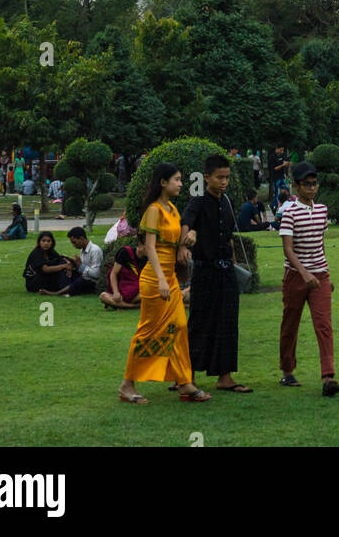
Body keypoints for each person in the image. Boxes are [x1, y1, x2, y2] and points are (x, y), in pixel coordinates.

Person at [119, 161, 206, 404]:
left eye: (180, 179)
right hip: (155, 279)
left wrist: (191, 236)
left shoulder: (174, 210)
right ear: (163, 183)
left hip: (169, 278)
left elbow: (178, 242)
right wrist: (161, 280)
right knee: (148, 332)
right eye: (177, 179)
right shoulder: (155, 210)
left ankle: (184, 382)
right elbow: (149, 248)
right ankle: (127, 384)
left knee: (178, 327)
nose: (180, 183)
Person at [181, 154, 252, 395]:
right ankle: (186, 375)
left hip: (226, 272)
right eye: (219, 177)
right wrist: (188, 235)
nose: (224, 182)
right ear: (207, 177)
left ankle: (225, 376)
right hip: (204, 271)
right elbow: (186, 224)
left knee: (228, 323)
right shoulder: (198, 203)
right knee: (199, 323)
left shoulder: (228, 202)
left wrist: (234, 264)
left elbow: (229, 238)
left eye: (227, 178)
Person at [279, 161, 339, 396]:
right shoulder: (289, 212)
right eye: (307, 185)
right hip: (296, 276)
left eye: (314, 184)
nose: (312, 188)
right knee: (290, 324)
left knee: (324, 325)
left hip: (320, 275)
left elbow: (320, 244)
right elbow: (288, 249)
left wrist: (325, 276)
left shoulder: (322, 210)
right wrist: (304, 273)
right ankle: (287, 371)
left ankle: (328, 376)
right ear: (296, 186)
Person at [50, 228, 104, 296]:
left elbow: (96, 274)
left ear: (81, 238)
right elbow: (81, 270)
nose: (73, 245)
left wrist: (81, 265)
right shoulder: (82, 251)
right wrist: (73, 264)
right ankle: (64, 290)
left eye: (74, 242)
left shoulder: (95, 250)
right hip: (84, 277)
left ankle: (57, 293)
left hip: (92, 282)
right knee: (65, 269)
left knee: (80, 281)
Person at [101, 231, 146, 309]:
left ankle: (123, 305)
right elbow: (113, 274)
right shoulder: (125, 252)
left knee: (150, 293)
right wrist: (116, 292)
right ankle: (134, 306)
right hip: (122, 291)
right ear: (140, 244)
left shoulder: (150, 259)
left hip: (139, 293)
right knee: (103, 296)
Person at [268, 145, 290, 211]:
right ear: (277, 149)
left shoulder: (282, 155)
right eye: (281, 150)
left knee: (285, 191)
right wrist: (282, 165)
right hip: (276, 177)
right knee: (277, 193)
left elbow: (286, 162)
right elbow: (274, 168)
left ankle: (283, 205)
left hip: (282, 176)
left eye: (283, 150)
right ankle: (276, 207)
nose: (282, 152)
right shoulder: (272, 157)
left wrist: (287, 164)